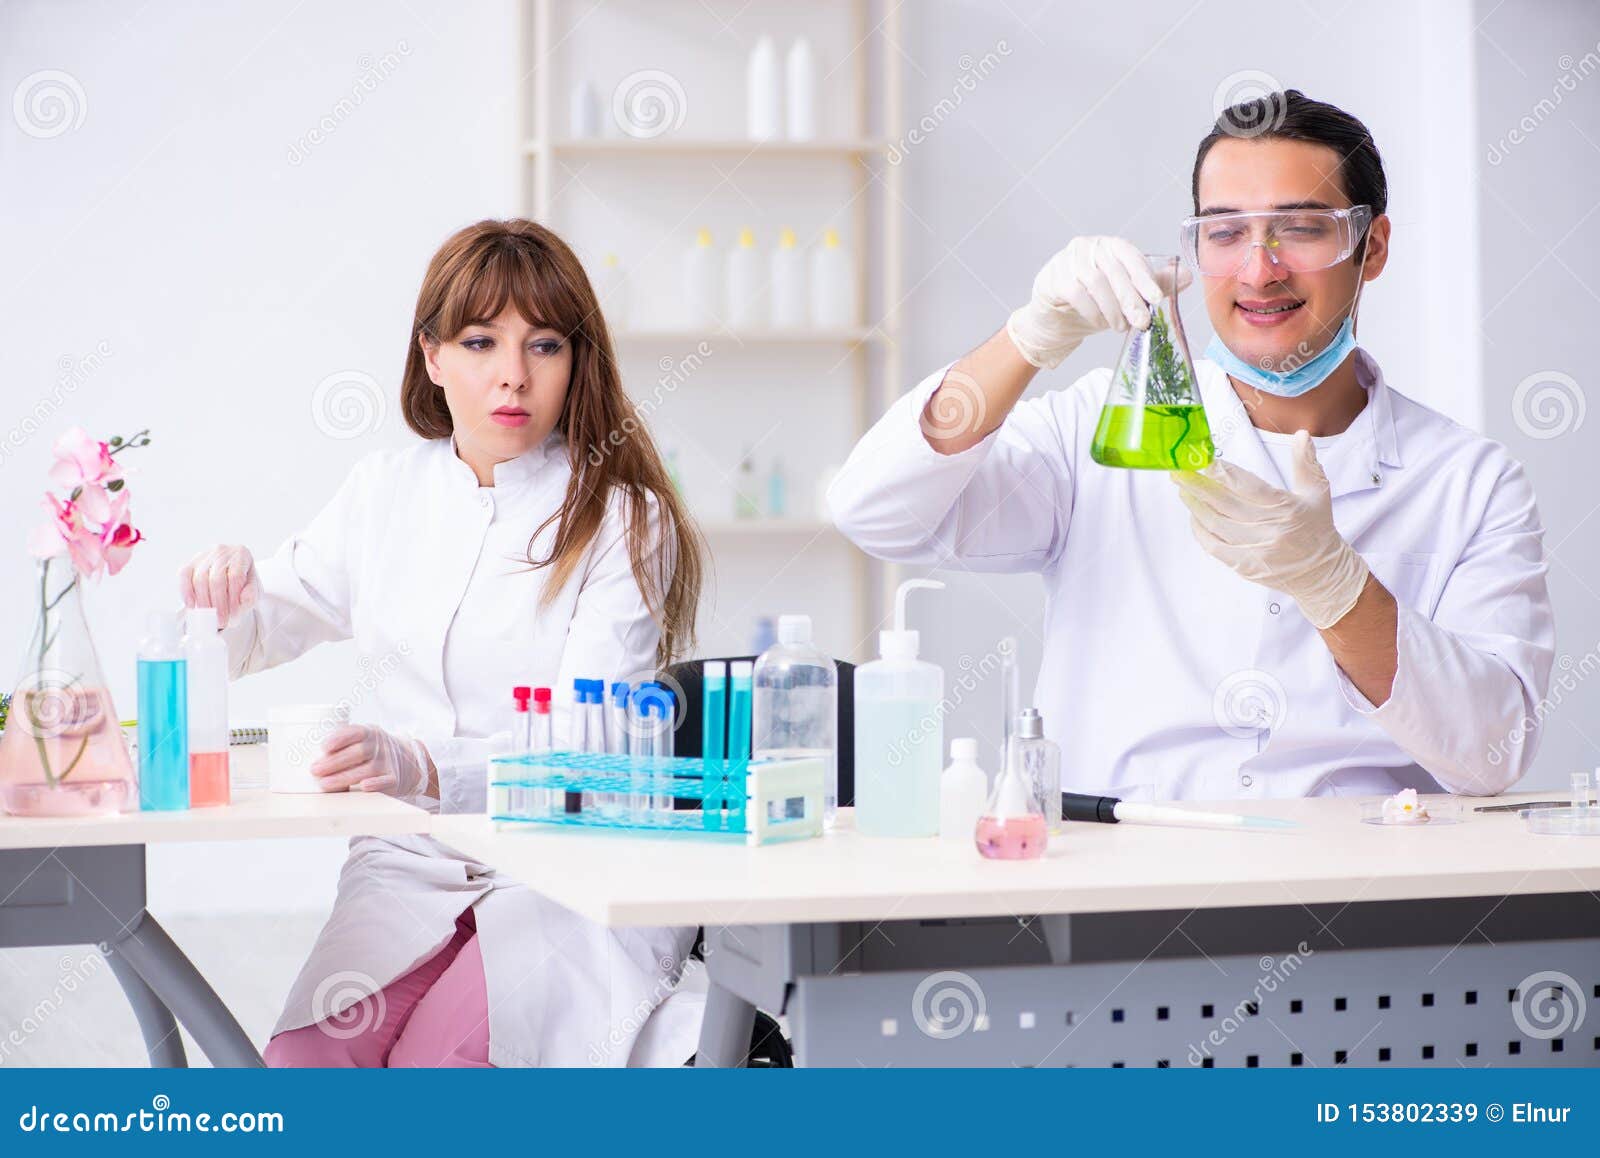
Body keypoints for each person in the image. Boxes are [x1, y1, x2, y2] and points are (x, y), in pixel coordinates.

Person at [828, 90, 1553, 799]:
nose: (1258, 269)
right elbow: (876, 512)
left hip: (1352, 883)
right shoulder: (1102, 435)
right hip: (1119, 880)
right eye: (1225, 231)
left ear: (1373, 247)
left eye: (1301, 228)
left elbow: (1494, 751)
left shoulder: (1469, 482)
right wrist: (1027, 339)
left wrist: (1335, 587)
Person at [179, 219, 706, 1067]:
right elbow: (261, 623)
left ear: (577, 363)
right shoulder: (384, 494)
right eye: (479, 341)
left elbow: (594, 746)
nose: (513, 374)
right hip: (409, 865)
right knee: (305, 1069)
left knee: (438, 1069)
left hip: (564, 869)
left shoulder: (621, 520)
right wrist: (220, 596)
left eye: (544, 345)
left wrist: (427, 768)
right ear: (431, 356)